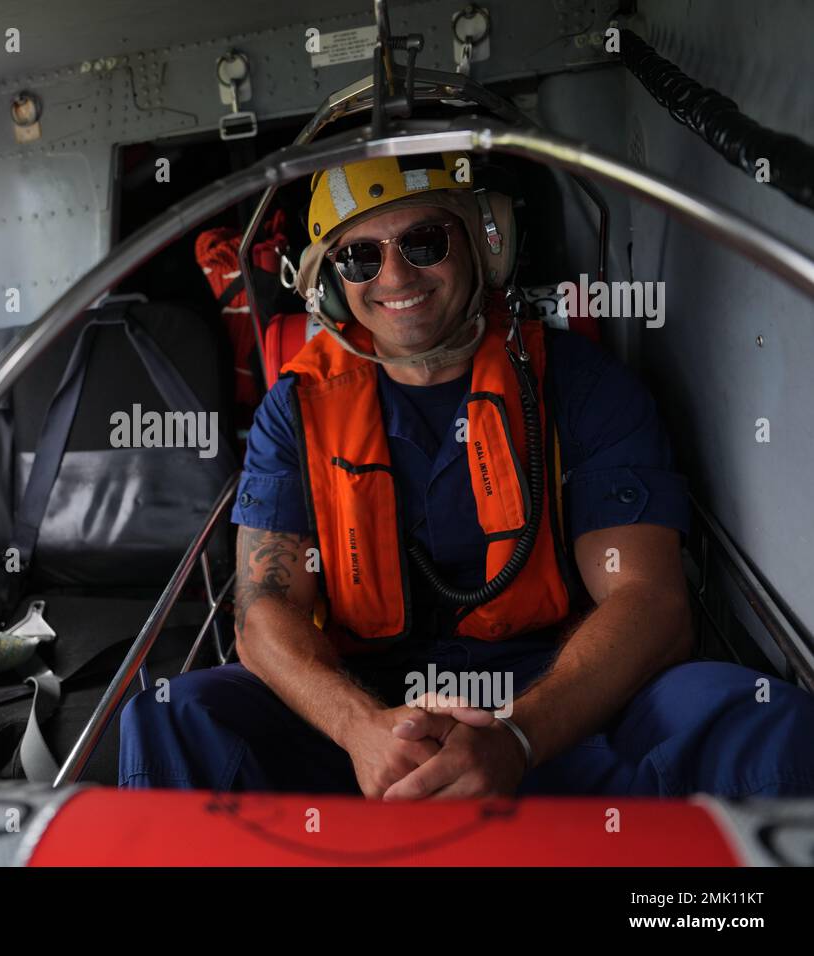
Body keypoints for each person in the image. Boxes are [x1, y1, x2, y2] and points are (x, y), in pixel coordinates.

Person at [119, 152, 814, 800]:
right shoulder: (293, 412)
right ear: (332, 285)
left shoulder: (582, 385)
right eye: (360, 256)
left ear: (485, 245)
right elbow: (264, 611)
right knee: (167, 717)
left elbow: (652, 603)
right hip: (364, 717)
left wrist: (517, 736)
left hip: (559, 702)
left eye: (424, 241)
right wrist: (361, 728)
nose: (394, 277)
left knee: (760, 722)